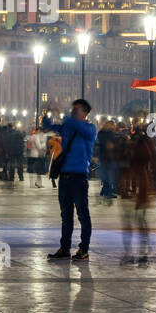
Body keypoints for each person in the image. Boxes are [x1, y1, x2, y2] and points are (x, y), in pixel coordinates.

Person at [45, 99, 98, 261]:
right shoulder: (69, 125)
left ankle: (83, 249)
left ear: (85, 112)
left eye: (77, 110)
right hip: (65, 176)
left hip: (79, 177)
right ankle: (65, 248)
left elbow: (75, 125)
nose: (73, 112)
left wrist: (65, 116)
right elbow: (47, 127)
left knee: (83, 214)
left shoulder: (89, 128)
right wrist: (48, 112)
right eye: (72, 110)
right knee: (66, 215)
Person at [122, 125, 154, 264]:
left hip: (138, 188)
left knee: (136, 222)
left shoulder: (139, 149)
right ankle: (140, 252)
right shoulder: (143, 148)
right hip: (136, 187)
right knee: (136, 222)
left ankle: (138, 252)